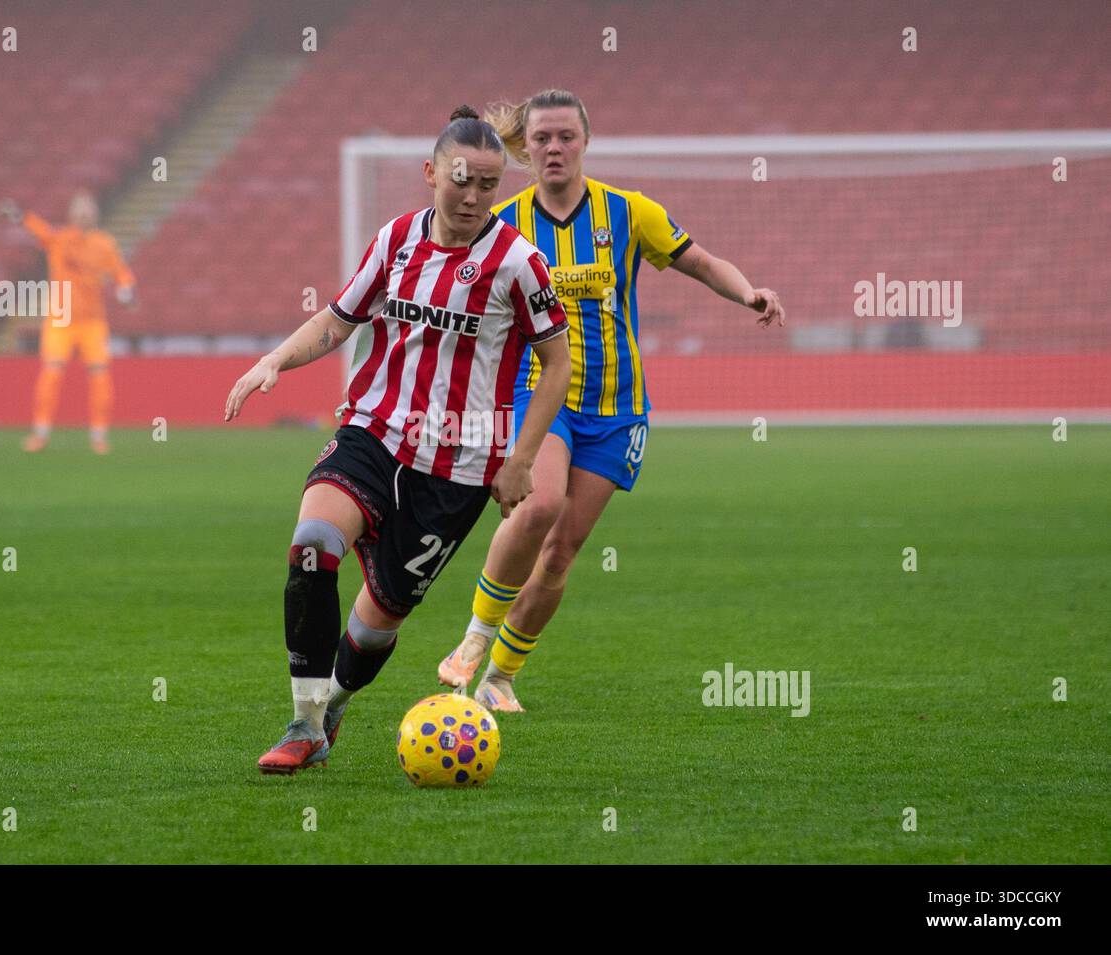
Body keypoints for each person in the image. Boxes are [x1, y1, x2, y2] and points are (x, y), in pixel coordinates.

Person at [223, 106, 572, 775]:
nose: (472, 196)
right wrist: (273, 360)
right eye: (461, 180)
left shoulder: (519, 264)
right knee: (310, 549)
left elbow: (557, 362)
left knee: (372, 628)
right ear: (431, 173)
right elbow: (338, 320)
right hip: (374, 431)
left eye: (488, 185)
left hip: (459, 469)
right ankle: (302, 720)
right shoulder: (396, 240)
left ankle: (334, 706)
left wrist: (521, 459)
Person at [436, 90, 785, 712]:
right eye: (541, 137)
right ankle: (472, 640)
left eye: (565, 136)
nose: (553, 147)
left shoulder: (629, 213)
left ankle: (501, 677)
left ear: (585, 143)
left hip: (616, 407)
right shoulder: (505, 224)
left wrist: (748, 292)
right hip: (539, 392)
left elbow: (701, 263)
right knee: (539, 504)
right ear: (528, 146)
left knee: (560, 554)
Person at [0, 191, 135, 454]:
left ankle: (99, 436)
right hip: (61, 319)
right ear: (71, 214)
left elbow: (122, 273)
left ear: (95, 213)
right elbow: (37, 228)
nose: (83, 213)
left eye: (88, 209)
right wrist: (16, 214)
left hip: (92, 321)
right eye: (79, 209)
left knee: (100, 376)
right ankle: (40, 433)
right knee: (51, 373)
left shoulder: (104, 243)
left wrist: (126, 289)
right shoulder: (59, 238)